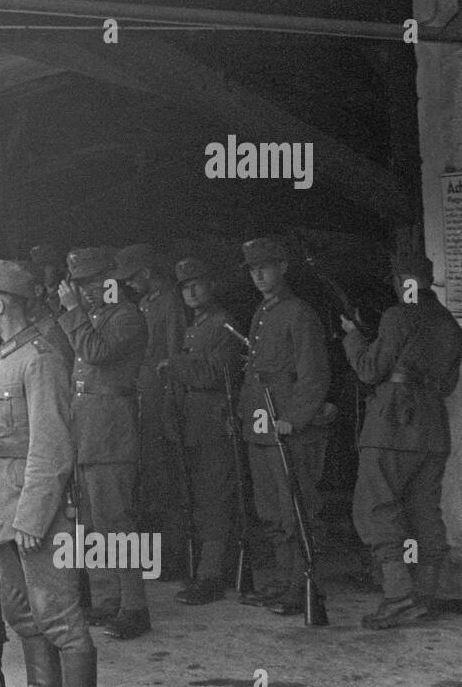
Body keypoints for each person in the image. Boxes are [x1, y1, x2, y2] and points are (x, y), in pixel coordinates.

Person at [0, 256, 97, 687]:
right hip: (1, 502)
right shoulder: (3, 356)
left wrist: (34, 517)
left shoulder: (40, 359)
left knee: (59, 616)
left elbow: (52, 447)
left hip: (33, 508)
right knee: (22, 614)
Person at [342, 251, 462, 628]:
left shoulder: (397, 316)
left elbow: (368, 369)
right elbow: (447, 384)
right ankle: (426, 593)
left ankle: (398, 597)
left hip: (392, 427)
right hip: (432, 431)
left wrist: (353, 337)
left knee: (377, 508)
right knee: (424, 510)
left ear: (402, 281)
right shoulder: (450, 324)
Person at [58, 247, 151, 640]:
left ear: (112, 278)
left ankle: (135, 606)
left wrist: (72, 312)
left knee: (117, 521)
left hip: (112, 433)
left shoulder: (126, 316)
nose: (88, 291)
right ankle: (106, 599)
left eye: (94, 282)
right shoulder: (96, 317)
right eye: (81, 284)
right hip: (88, 431)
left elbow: (96, 353)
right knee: (92, 523)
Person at [235, 237, 331, 616]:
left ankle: (304, 584)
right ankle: (282, 581)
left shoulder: (298, 312)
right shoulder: (263, 312)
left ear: (283, 267)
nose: (258, 275)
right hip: (261, 428)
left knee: (298, 510)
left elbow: (314, 375)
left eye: (266, 267)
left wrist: (293, 419)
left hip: (287, 429)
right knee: (271, 510)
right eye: (253, 270)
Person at [159, 258, 240, 604]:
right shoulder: (197, 325)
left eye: (197, 284)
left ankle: (211, 576)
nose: (191, 292)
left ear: (211, 286)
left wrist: (175, 365)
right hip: (193, 421)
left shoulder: (223, 325)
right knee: (196, 497)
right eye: (185, 287)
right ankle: (200, 570)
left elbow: (215, 375)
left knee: (213, 499)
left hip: (213, 421)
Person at [114, 244, 188, 581]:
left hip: (160, 401)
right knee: (148, 485)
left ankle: (172, 559)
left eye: (131, 279)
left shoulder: (170, 302)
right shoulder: (145, 303)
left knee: (165, 484)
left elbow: (173, 354)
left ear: (145, 273)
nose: (128, 286)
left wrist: (173, 404)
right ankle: (157, 557)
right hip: (142, 399)